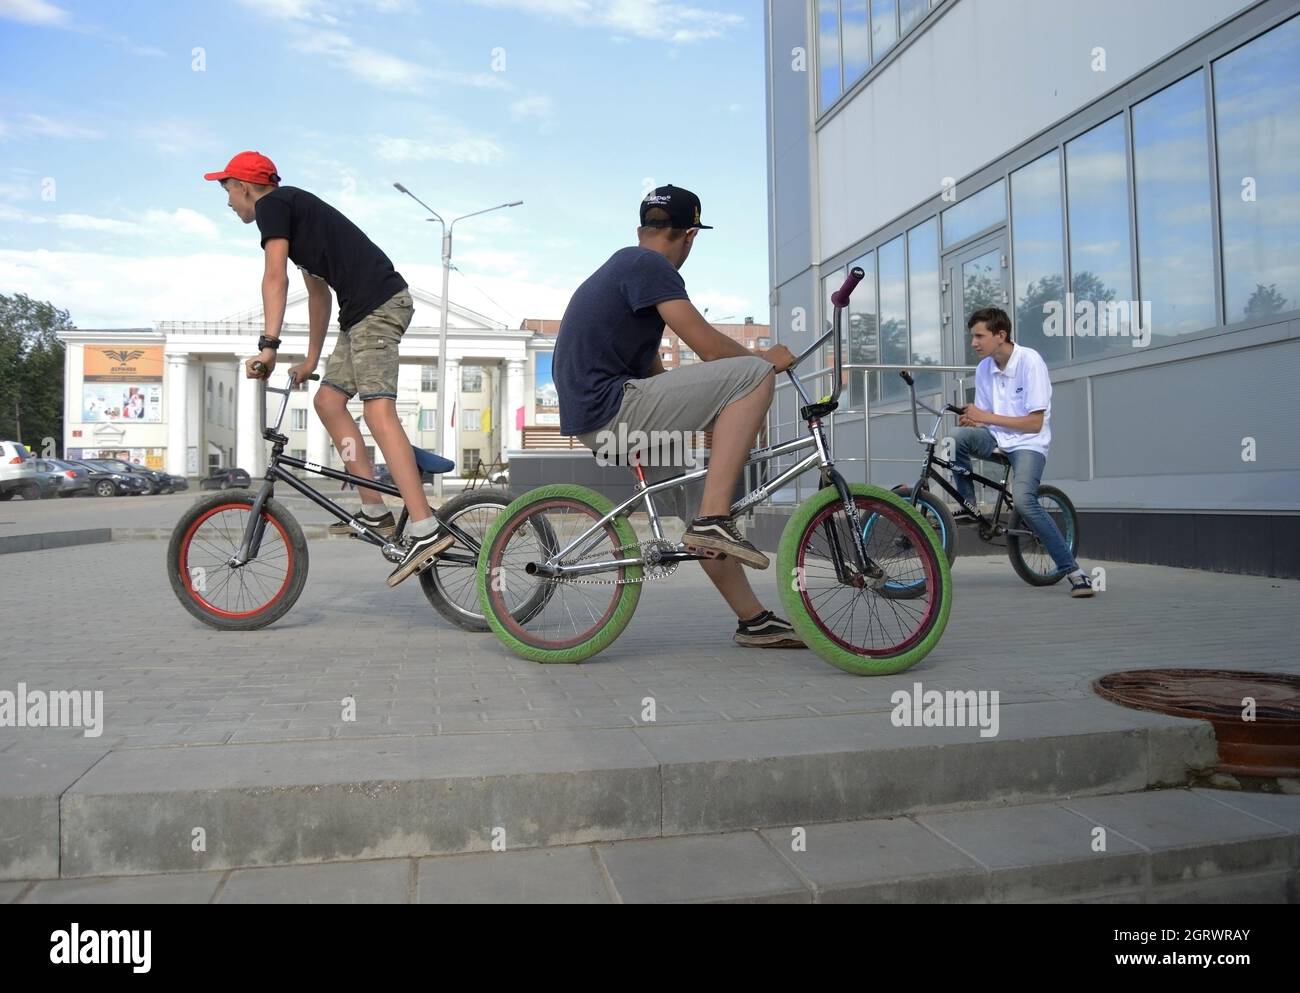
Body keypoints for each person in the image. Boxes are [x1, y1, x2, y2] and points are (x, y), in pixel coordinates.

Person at [553, 185, 807, 648]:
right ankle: (714, 518)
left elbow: (656, 374)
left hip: (602, 415)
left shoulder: (625, 270)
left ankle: (753, 621)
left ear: (642, 228)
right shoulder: (648, 266)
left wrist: (716, 415)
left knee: (701, 495)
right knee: (752, 374)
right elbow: (710, 349)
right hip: (613, 409)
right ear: (691, 235)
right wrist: (765, 361)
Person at [204, 151, 452, 587]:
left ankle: (424, 527)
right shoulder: (295, 216)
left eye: (226, 190)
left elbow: (273, 277)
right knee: (328, 401)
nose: (227, 203)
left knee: (378, 411)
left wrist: (268, 346)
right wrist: (312, 359)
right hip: (358, 314)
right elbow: (318, 296)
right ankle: (374, 510)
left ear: (244, 186)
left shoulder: (273, 207)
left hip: (380, 305)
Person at [951, 307, 1095, 598]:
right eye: (972, 337)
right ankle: (968, 504)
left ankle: (1075, 572)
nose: (974, 343)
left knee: (1025, 502)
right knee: (954, 439)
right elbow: (985, 416)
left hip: (1029, 443)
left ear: (1000, 335)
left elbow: (1034, 423)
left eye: (979, 336)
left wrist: (986, 418)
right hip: (996, 439)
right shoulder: (983, 369)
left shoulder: (1030, 362)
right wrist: (973, 420)